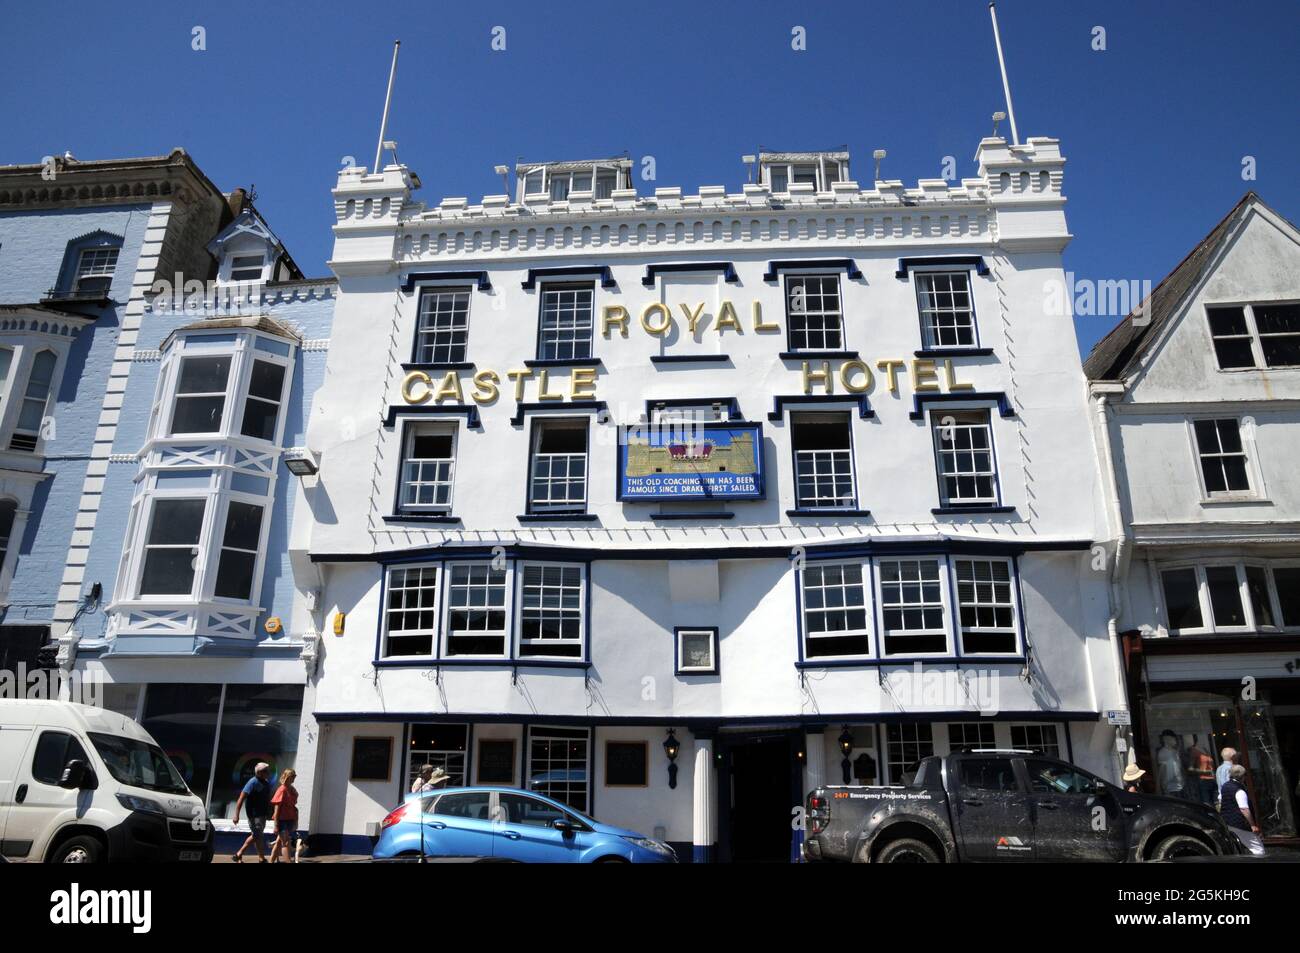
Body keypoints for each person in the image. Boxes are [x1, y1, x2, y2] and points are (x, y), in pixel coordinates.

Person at [232, 762, 274, 863]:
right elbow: (241, 798)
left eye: (268, 770)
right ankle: (239, 853)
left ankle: (261, 858)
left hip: (262, 814)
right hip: (254, 815)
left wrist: (270, 811)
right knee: (257, 835)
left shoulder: (266, 782)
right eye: (265, 771)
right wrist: (236, 815)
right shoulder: (252, 782)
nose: (268, 772)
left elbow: (267, 798)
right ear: (259, 772)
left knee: (258, 836)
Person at [1220, 764, 1265, 856]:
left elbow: (1220, 799)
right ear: (1243, 776)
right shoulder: (1239, 790)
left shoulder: (1225, 786)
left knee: (1238, 849)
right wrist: (1253, 825)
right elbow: (1244, 809)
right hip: (1239, 824)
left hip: (1227, 823)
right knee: (1258, 849)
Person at [270, 768, 299, 864]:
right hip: (282, 821)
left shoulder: (291, 789)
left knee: (279, 842)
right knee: (285, 843)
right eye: (292, 776)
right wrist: (276, 825)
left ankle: (271, 861)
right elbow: (276, 809)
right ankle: (288, 861)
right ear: (287, 777)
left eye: (294, 776)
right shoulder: (282, 790)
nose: (294, 778)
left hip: (290, 819)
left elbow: (294, 803)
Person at [1155, 730, 1186, 798]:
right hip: (1171, 789)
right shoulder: (1163, 752)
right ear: (1166, 739)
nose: (1176, 741)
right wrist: (1159, 787)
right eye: (1174, 738)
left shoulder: (1175, 752)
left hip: (1181, 786)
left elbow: (1179, 768)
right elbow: (1160, 771)